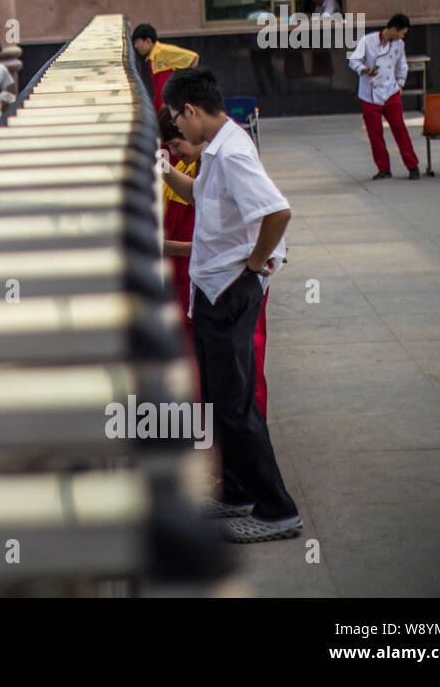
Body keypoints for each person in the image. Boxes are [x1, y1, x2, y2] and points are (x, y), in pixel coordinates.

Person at [161, 68, 299, 543]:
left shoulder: (234, 153)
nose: (178, 130)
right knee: (220, 400)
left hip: (230, 290)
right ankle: (239, 491)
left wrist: (255, 265)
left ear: (191, 110)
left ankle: (277, 510)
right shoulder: (218, 149)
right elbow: (197, 197)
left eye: (178, 120)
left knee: (235, 404)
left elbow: (278, 211)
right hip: (213, 289)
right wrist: (159, 167)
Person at [159, 105, 269, 418]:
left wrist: (170, 248)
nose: (173, 151)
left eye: (177, 142)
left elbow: (230, 242)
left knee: (241, 368)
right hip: (199, 284)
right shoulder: (190, 166)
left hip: (229, 282)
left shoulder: (227, 162)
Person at [347, 12, 419, 180]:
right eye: (402, 32)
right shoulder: (368, 41)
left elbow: (402, 66)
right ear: (394, 29)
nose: (402, 36)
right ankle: (383, 168)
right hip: (369, 93)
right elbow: (353, 61)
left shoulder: (399, 45)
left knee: (400, 129)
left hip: (391, 91)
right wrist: (364, 70)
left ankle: (412, 165)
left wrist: (400, 84)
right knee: (375, 133)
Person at [132, 23, 199, 113]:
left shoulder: (164, 51)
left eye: (137, 42)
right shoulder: (150, 59)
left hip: (170, 107)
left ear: (148, 41)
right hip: (161, 106)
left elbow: (194, 57)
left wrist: (185, 86)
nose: (136, 46)